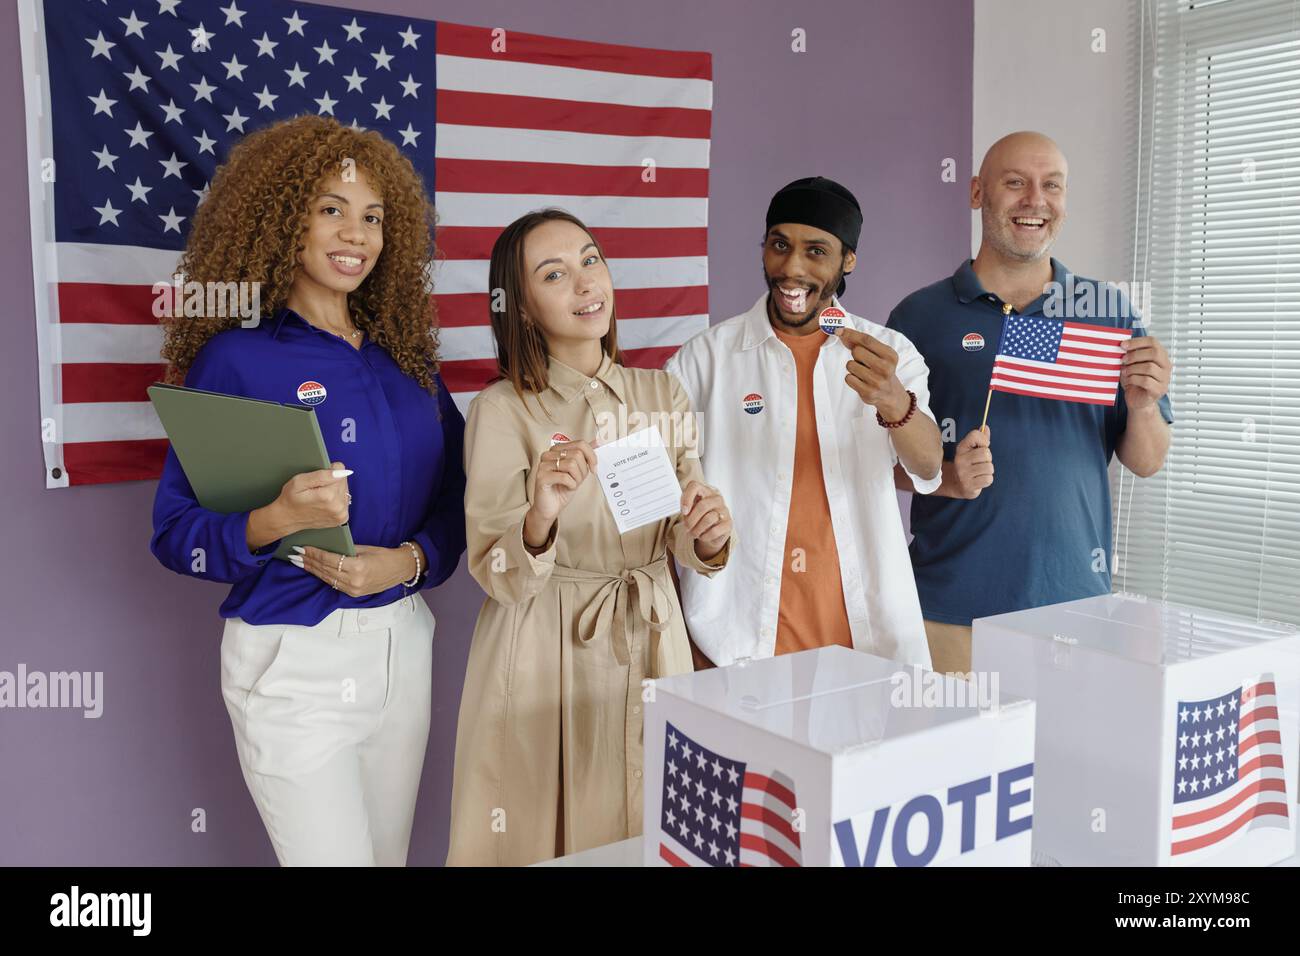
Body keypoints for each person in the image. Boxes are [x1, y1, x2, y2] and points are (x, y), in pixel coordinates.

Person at [150, 115, 466, 866]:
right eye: (331, 208)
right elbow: (173, 534)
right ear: (284, 219)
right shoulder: (237, 360)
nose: (355, 233)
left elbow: (463, 501)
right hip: (293, 662)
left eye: (373, 216)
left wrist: (412, 563)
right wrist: (272, 520)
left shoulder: (411, 364)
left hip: (402, 647)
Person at [446, 209, 735, 866]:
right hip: (542, 648)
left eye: (590, 259)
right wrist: (540, 514)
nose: (584, 283)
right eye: (554, 274)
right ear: (520, 307)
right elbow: (496, 571)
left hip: (654, 632)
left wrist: (709, 535)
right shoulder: (501, 410)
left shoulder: (662, 392)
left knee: (651, 820)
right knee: (533, 828)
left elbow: (684, 533)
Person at [889, 131, 1173, 674]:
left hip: (1078, 611)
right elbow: (875, 460)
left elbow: (1147, 460)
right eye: (1015, 183)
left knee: (1071, 761)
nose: (1034, 200)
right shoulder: (917, 317)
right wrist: (947, 475)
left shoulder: (1108, 314)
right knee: (957, 758)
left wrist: (1141, 405)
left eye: (1052, 186)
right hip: (949, 609)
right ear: (976, 192)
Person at [666, 177, 942, 669]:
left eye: (816, 251)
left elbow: (928, 467)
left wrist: (894, 402)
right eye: (779, 245)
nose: (792, 268)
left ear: (847, 261)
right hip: (736, 639)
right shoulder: (704, 360)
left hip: (866, 640)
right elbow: (668, 503)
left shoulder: (890, 352)